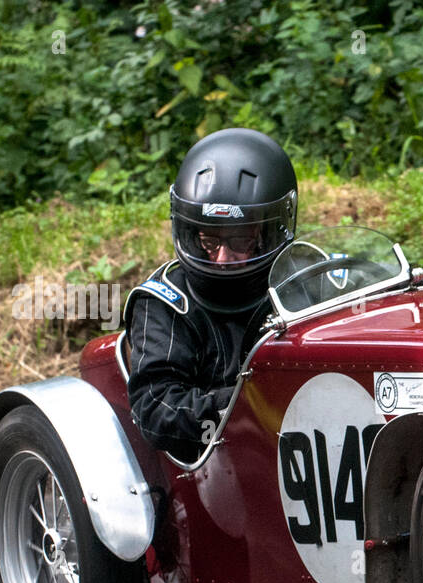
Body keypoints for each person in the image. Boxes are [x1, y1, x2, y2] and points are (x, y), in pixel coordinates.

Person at [124, 127, 297, 462]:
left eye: (240, 241)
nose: (221, 258)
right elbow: (156, 409)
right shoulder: (165, 301)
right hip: (218, 472)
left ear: (271, 231)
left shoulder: (304, 279)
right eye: (208, 241)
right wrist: (249, 405)